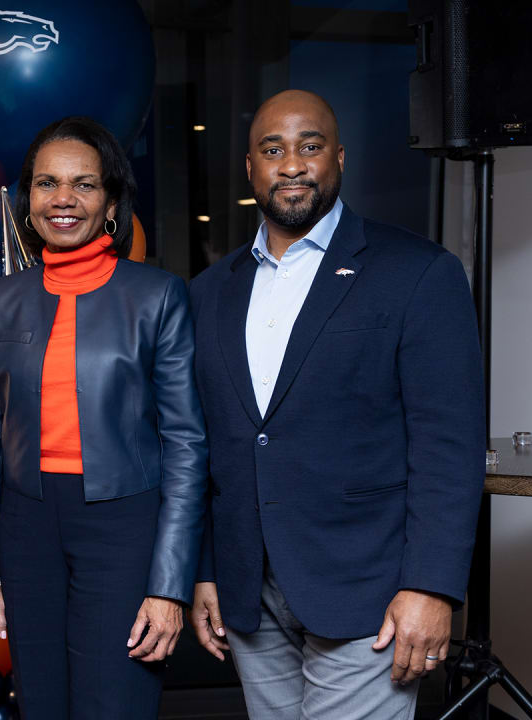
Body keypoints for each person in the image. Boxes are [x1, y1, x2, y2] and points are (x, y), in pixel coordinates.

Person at [187, 90, 485, 719]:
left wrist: (431, 587)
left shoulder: (418, 272)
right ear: (250, 169)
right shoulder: (209, 293)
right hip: (250, 592)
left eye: (310, 146)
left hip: (368, 590)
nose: (291, 164)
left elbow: (448, 446)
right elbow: (205, 443)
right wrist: (207, 570)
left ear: (339, 158)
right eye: (272, 149)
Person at [0, 116, 208, 720]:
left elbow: (185, 445)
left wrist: (168, 584)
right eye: (46, 184)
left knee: (114, 704)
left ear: (112, 201)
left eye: (84, 184)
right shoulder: (4, 298)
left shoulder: (158, 295)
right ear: (28, 201)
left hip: (124, 526)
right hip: (27, 526)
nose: (63, 199)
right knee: (42, 703)